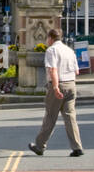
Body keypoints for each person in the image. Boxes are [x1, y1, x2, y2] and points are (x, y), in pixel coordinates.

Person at [28, 27, 84, 157]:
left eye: (48, 38)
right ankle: (77, 147)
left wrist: (55, 87)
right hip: (71, 84)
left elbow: (53, 70)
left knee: (50, 117)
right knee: (70, 117)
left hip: (59, 84)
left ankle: (40, 146)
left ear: (50, 38)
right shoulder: (69, 50)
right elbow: (77, 71)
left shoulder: (51, 50)